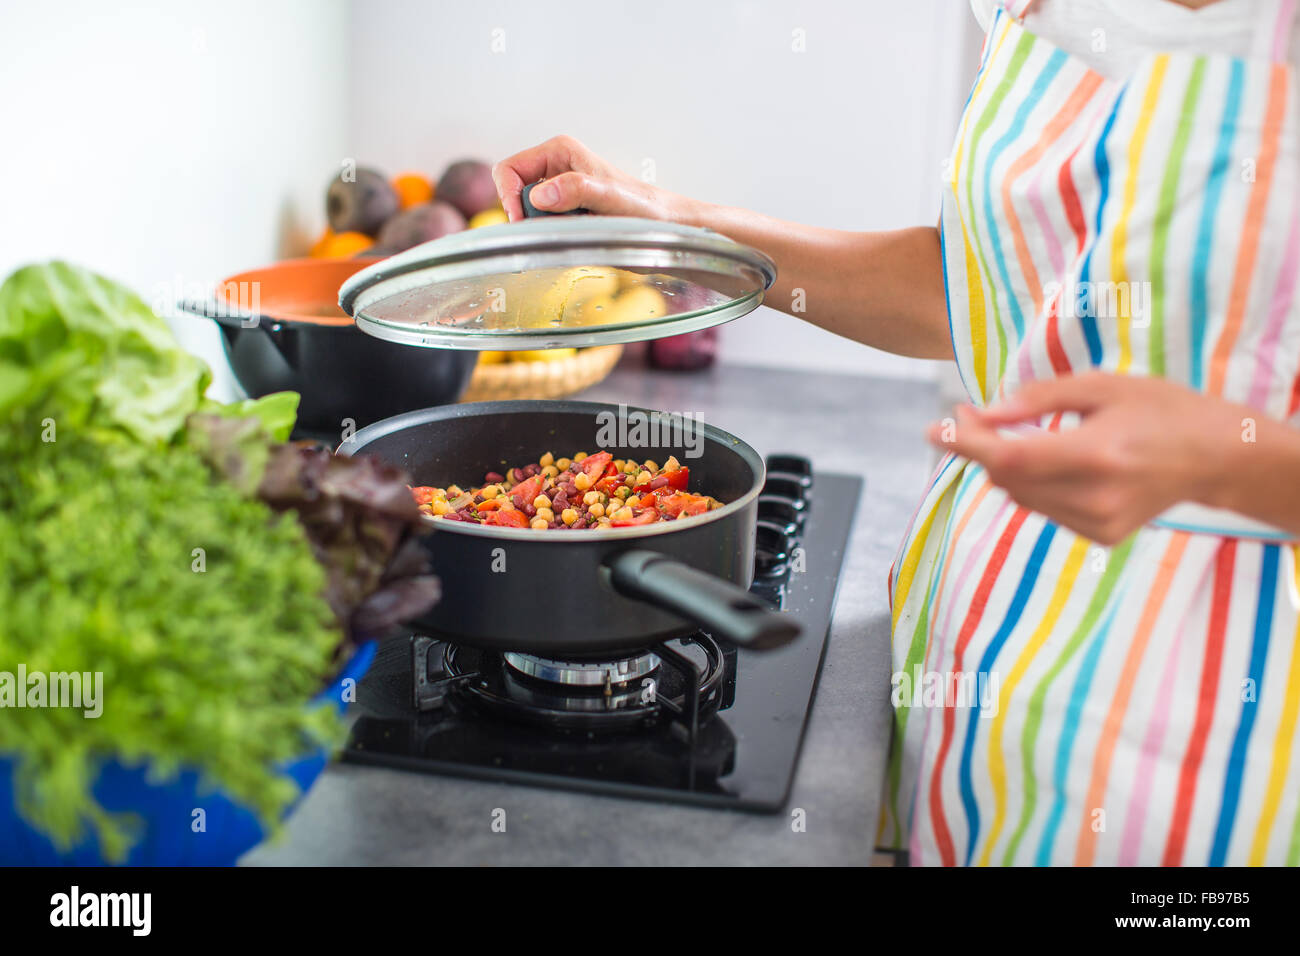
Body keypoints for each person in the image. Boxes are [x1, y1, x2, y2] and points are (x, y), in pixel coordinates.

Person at [492, 0, 1300, 866]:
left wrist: (1223, 463)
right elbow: (965, 288)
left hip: (1221, 714)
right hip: (982, 645)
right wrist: (668, 226)